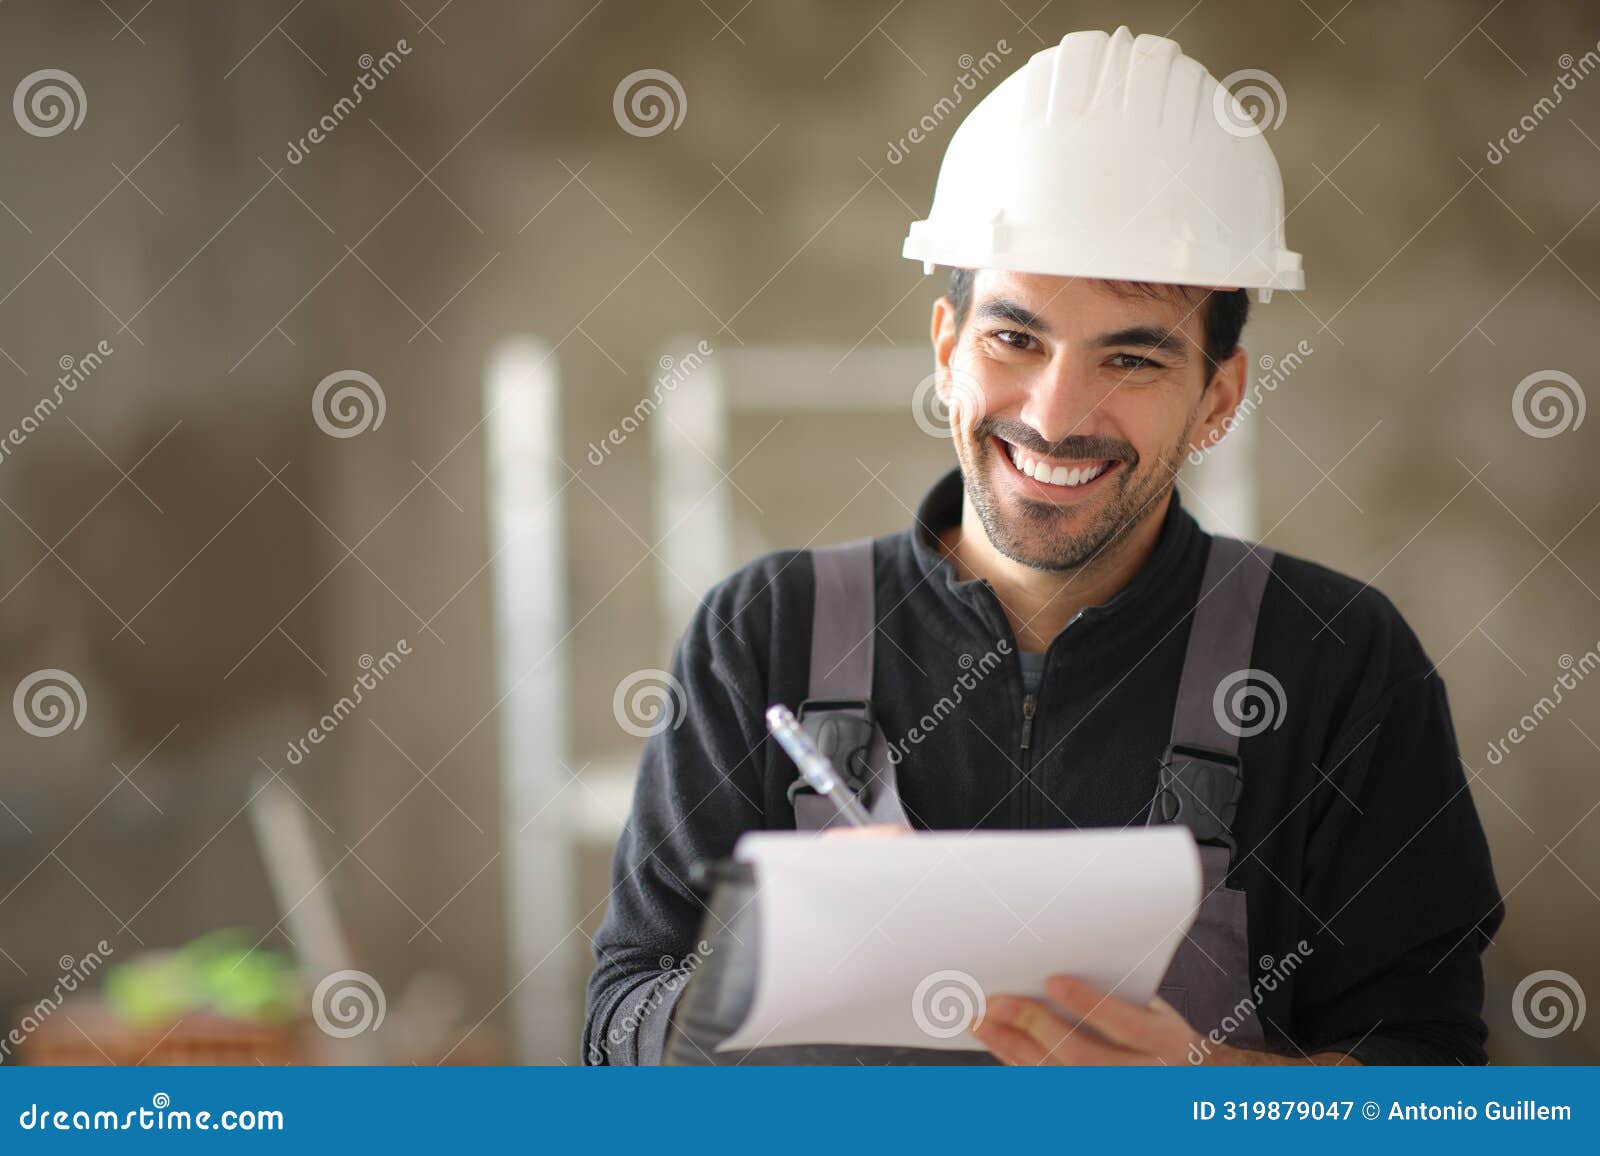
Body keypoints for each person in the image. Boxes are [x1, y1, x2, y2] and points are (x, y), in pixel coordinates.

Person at [584, 26, 1502, 1066]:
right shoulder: (764, 633)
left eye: (1131, 358)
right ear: (947, 347)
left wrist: (1205, 1095)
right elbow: (614, 1024)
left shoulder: (1339, 661)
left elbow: (1434, 1090)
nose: (1055, 415)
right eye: (1013, 339)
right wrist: (753, 979)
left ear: (1217, 399)